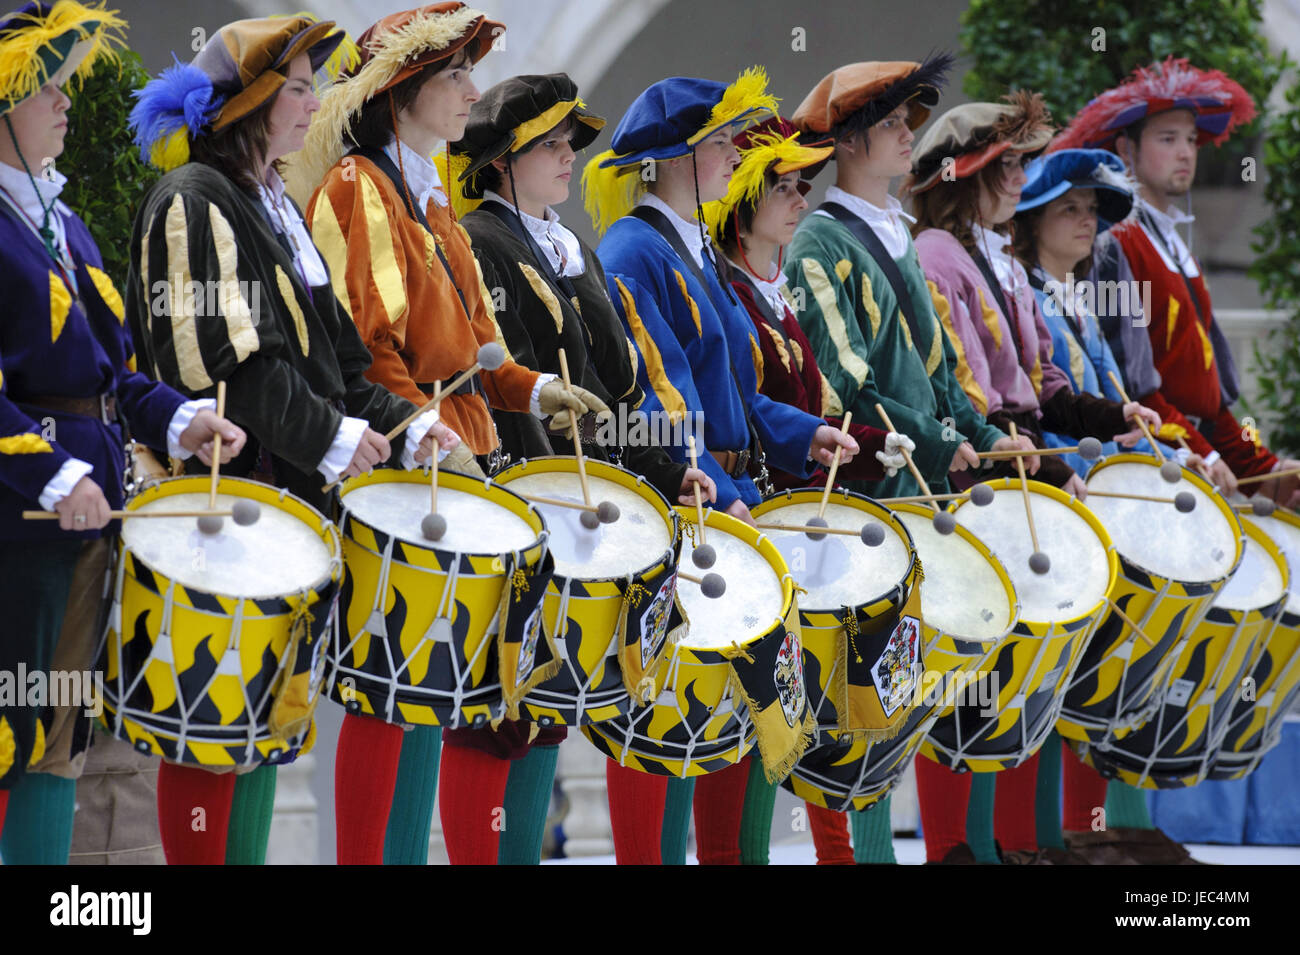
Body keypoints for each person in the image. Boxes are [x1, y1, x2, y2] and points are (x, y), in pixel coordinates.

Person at [127, 13, 458, 865]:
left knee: (269, 719)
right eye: (302, 88)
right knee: (215, 719)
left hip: (287, 499)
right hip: (228, 498)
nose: (317, 103)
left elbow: (343, 358)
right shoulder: (194, 201)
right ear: (255, 104)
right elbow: (220, 367)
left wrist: (408, 423)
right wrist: (334, 438)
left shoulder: (272, 202)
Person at [300, 5, 609, 866]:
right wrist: (428, 429)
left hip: (457, 451)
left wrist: (540, 388)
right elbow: (366, 347)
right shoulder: (357, 189)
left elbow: (481, 348)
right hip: (406, 458)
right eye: (455, 77)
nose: (473, 92)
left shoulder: (433, 197)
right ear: (403, 94)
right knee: (386, 688)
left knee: (437, 689)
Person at [582, 68, 859, 865]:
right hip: (685, 500)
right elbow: (663, 399)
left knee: (739, 705)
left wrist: (806, 431)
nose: (737, 153)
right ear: (676, 156)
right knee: (669, 709)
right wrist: (729, 492)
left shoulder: (692, 245)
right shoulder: (635, 249)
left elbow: (736, 386)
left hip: (726, 494)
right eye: (721, 142)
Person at [447, 70, 718, 863]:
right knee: (497, 710)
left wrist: (667, 475)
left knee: (551, 704)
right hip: (527, 500)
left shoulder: (577, 253)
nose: (571, 156)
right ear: (501, 160)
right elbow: (503, 387)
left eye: (572, 142)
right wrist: (544, 495)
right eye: (552, 144)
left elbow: (621, 385)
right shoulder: (478, 242)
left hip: (595, 505)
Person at [0, 0, 243, 863]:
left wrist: (179, 418)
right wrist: (56, 477)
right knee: (25, 731)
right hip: (25, 523)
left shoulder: (61, 222)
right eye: (49, 89)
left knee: (66, 733)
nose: (67, 103)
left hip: (93, 515)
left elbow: (117, 373)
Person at [785, 56, 1035, 864]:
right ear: (851, 141)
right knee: (861, 702)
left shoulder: (897, 232)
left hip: (921, 486)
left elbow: (943, 368)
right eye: (894, 124)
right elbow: (843, 374)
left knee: (909, 695)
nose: (908, 136)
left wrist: (980, 429)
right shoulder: (822, 239)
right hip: (868, 494)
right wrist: (934, 438)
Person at [907, 92, 1161, 865]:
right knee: (974, 678)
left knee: (1033, 671)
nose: (1023, 176)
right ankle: (963, 847)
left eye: (1022, 161)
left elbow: (1044, 385)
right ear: (966, 175)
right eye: (1008, 163)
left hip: (1020, 463)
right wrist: (1048, 459)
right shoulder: (936, 256)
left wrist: (1110, 413)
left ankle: (1025, 844)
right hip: (979, 476)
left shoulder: (1001, 263)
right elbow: (965, 393)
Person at [703, 113, 910, 864]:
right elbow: (753, 410)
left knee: (827, 711)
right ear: (744, 200)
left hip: (803, 528)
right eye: (783, 187)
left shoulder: (774, 294)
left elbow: (812, 412)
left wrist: (872, 447)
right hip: (759, 521)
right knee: (771, 714)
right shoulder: (729, 292)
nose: (800, 199)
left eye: (803, 186)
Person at [1052, 57, 1299, 509]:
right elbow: (1127, 382)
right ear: (1126, 150)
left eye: (1191, 139)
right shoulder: (1115, 242)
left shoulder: (1175, 242)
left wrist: (1262, 464)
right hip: (1153, 460)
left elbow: (1212, 401)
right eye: (1168, 139)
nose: (1186, 152)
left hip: (1192, 448)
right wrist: (1196, 451)